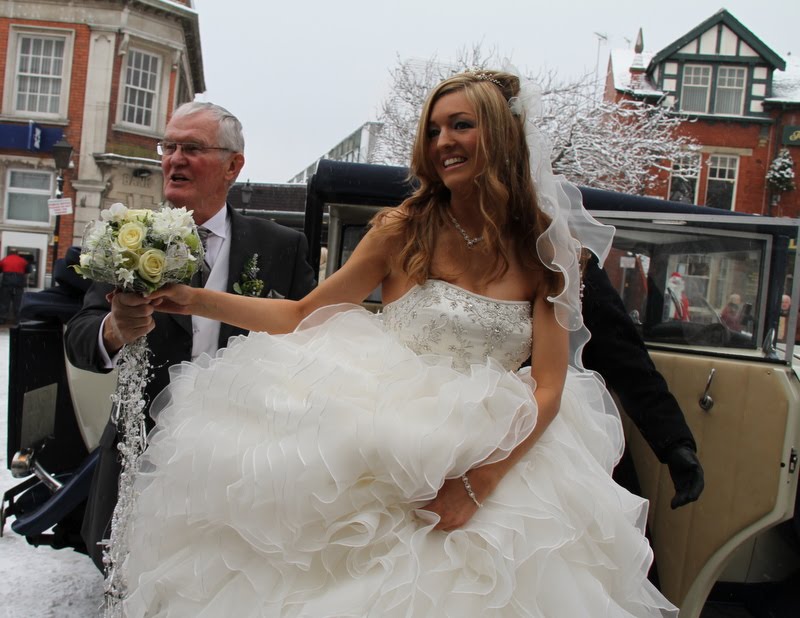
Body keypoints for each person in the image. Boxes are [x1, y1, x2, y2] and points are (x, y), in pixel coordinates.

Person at [119, 70, 677, 616]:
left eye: (461, 125)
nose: (443, 143)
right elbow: (300, 314)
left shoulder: (544, 249)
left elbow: (551, 385)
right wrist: (194, 298)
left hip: (502, 454)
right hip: (386, 440)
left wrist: (479, 485)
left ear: (501, 136)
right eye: (433, 130)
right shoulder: (400, 229)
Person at [64, 101, 316, 571]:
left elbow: (309, 337)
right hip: (144, 456)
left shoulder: (281, 246)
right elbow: (80, 339)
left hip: (244, 464)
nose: (174, 159)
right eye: (170, 146)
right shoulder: (125, 236)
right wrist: (115, 329)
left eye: (192, 148)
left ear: (233, 165)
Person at [0, 249, 31, 324]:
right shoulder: (23, 260)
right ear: (17, 253)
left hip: (6, 284)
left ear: (9, 253)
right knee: (18, 303)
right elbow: (29, 270)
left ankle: (2, 319)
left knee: (4, 302)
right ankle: (18, 319)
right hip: (18, 284)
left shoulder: (4, 260)